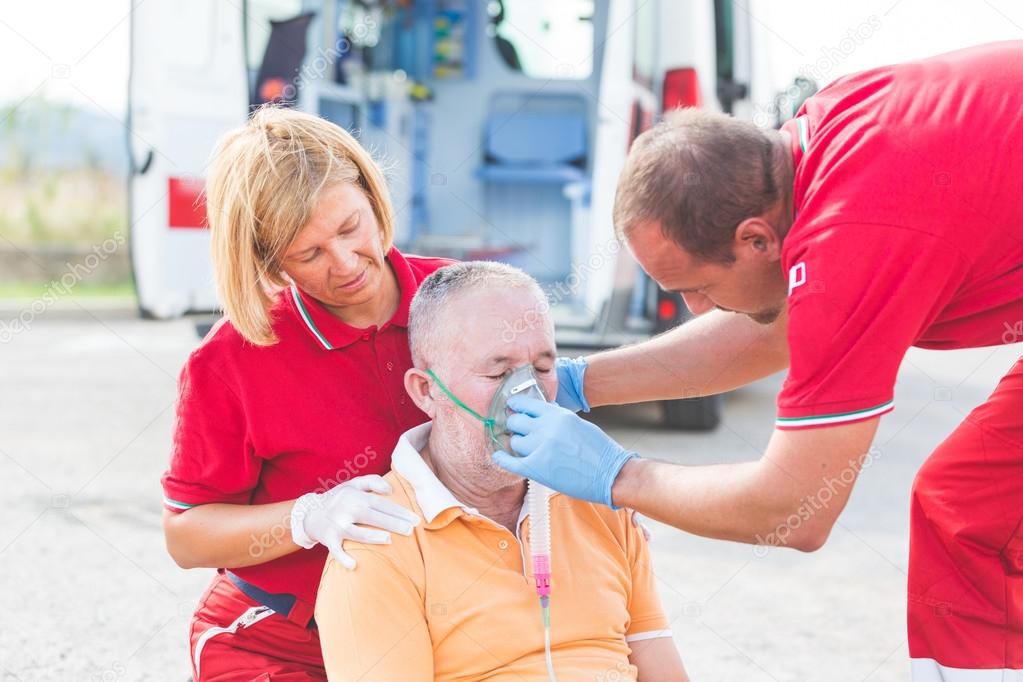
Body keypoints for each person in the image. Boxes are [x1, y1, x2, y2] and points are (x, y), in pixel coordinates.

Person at [493, 41, 1023, 679]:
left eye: (698, 287)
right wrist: (576, 384)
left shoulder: (852, 238)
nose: (695, 309)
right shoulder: (807, 153)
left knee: (977, 513)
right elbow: (775, 327)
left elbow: (795, 509)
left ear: (755, 238)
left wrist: (617, 475)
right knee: (967, 507)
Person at [160, 106, 450, 680]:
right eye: (308, 254)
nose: (345, 264)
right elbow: (186, 536)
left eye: (350, 228)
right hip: (279, 642)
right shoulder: (231, 359)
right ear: (269, 260)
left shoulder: (461, 300)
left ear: (372, 193)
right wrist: (308, 518)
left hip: (442, 627)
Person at [314, 261, 688, 682]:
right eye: (498, 372)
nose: (525, 393)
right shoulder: (378, 541)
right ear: (426, 389)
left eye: (543, 369)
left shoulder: (601, 501)